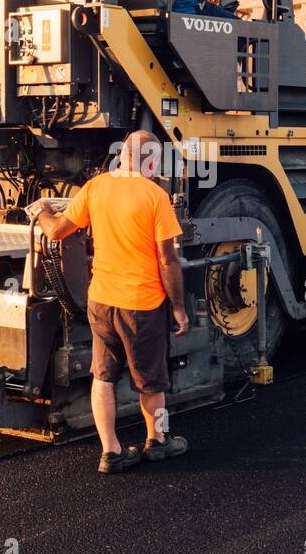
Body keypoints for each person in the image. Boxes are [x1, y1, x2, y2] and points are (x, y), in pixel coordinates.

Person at [35, 131, 190, 474]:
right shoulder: (155, 197)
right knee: (152, 381)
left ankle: (112, 452)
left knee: (103, 377)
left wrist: (43, 212)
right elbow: (168, 261)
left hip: (102, 302)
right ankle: (158, 440)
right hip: (142, 305)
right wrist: (178, 308)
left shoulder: (96, 187)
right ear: (150, 161)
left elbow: (57, 230)